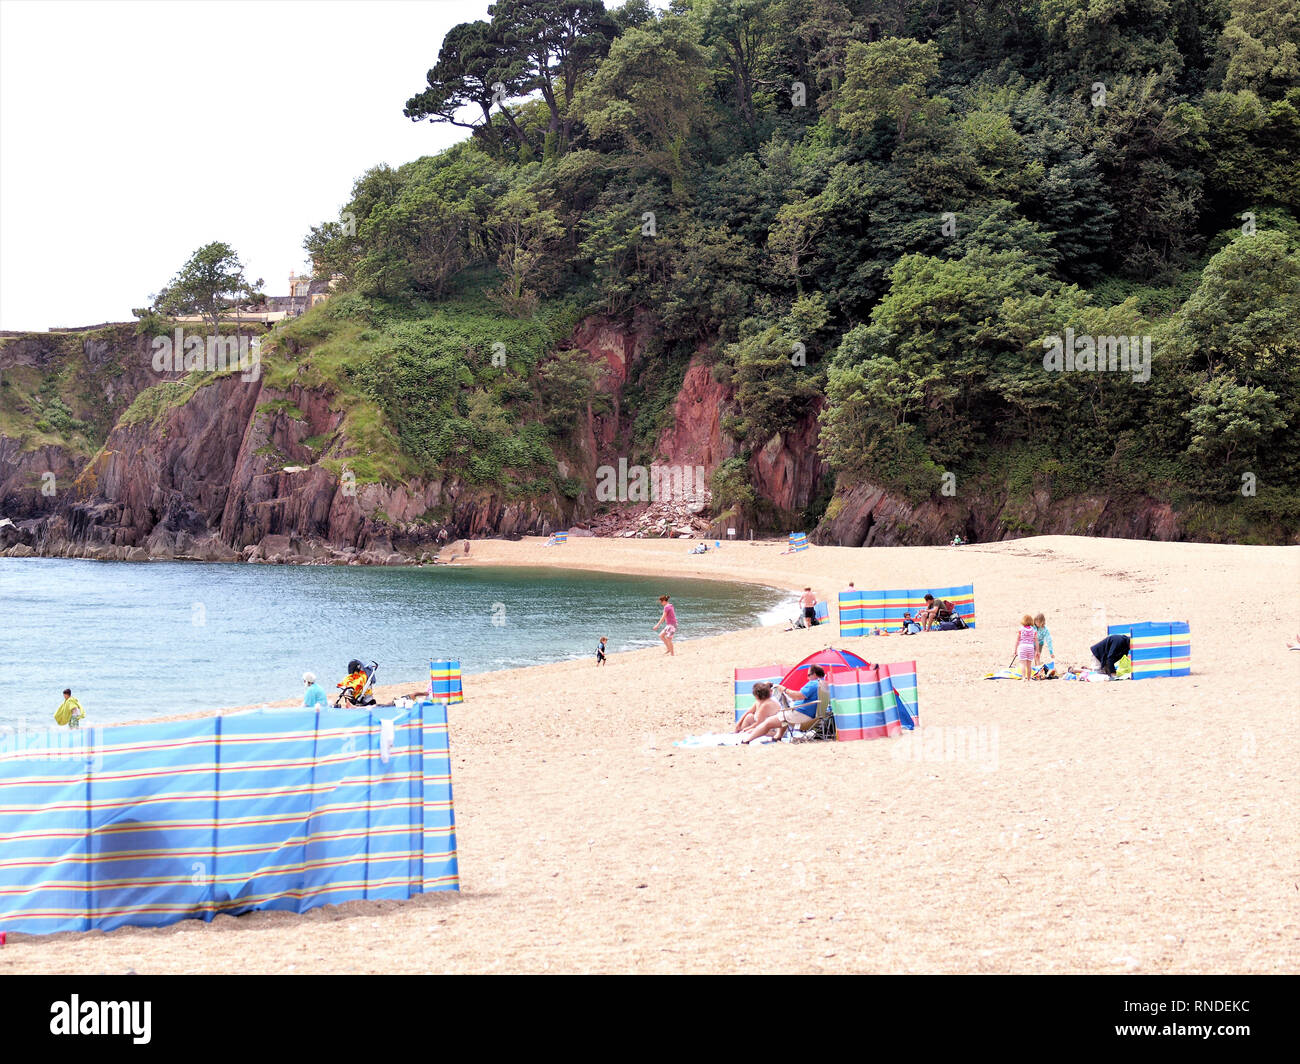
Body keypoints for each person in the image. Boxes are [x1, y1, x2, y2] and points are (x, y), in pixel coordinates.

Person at [743, 665, 826, 743]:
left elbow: (799, 696)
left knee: (768, 722)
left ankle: (747, 740)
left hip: (801, 715)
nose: (808, 678)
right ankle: (778, 736)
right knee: (784, 715)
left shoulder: (813, 683)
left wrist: (785, 690)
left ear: (814, 674)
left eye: (809, 675)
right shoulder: (824, 684)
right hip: (811, 716)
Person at [1013, 615, 1037, 681]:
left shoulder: (1021, 629)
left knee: (1022, 663)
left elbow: (1017, 640)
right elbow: (1036, 641)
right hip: (1030, 647)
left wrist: (1015, 650)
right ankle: (1029, 678)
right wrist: (1037, 650)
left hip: (1022, 647)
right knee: (1029, 665)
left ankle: (1023, 677)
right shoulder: (1033, 630)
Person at [1033, 613, 1056, 678]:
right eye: (1035, 621)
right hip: (1032, 644)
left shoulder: (1045, 630)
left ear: (1042, 622)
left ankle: (1038, 670)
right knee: (1033, 657)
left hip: (1039, 644)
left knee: (1037, 657)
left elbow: (1049, 640)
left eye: (1038, 622)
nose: (1036, 623)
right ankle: (1036, 669)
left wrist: (1051, 652)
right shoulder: (1033, 626)